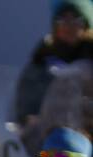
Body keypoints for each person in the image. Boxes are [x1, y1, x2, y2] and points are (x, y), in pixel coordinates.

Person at [15, 2, 93, 148]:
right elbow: (26, 107)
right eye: (63, 20)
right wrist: (29, 121)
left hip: (87, 144)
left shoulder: (89, 63)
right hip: (51, 147)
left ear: (87, 25)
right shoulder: (41, 61)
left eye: (76, 20)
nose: (69, 26)